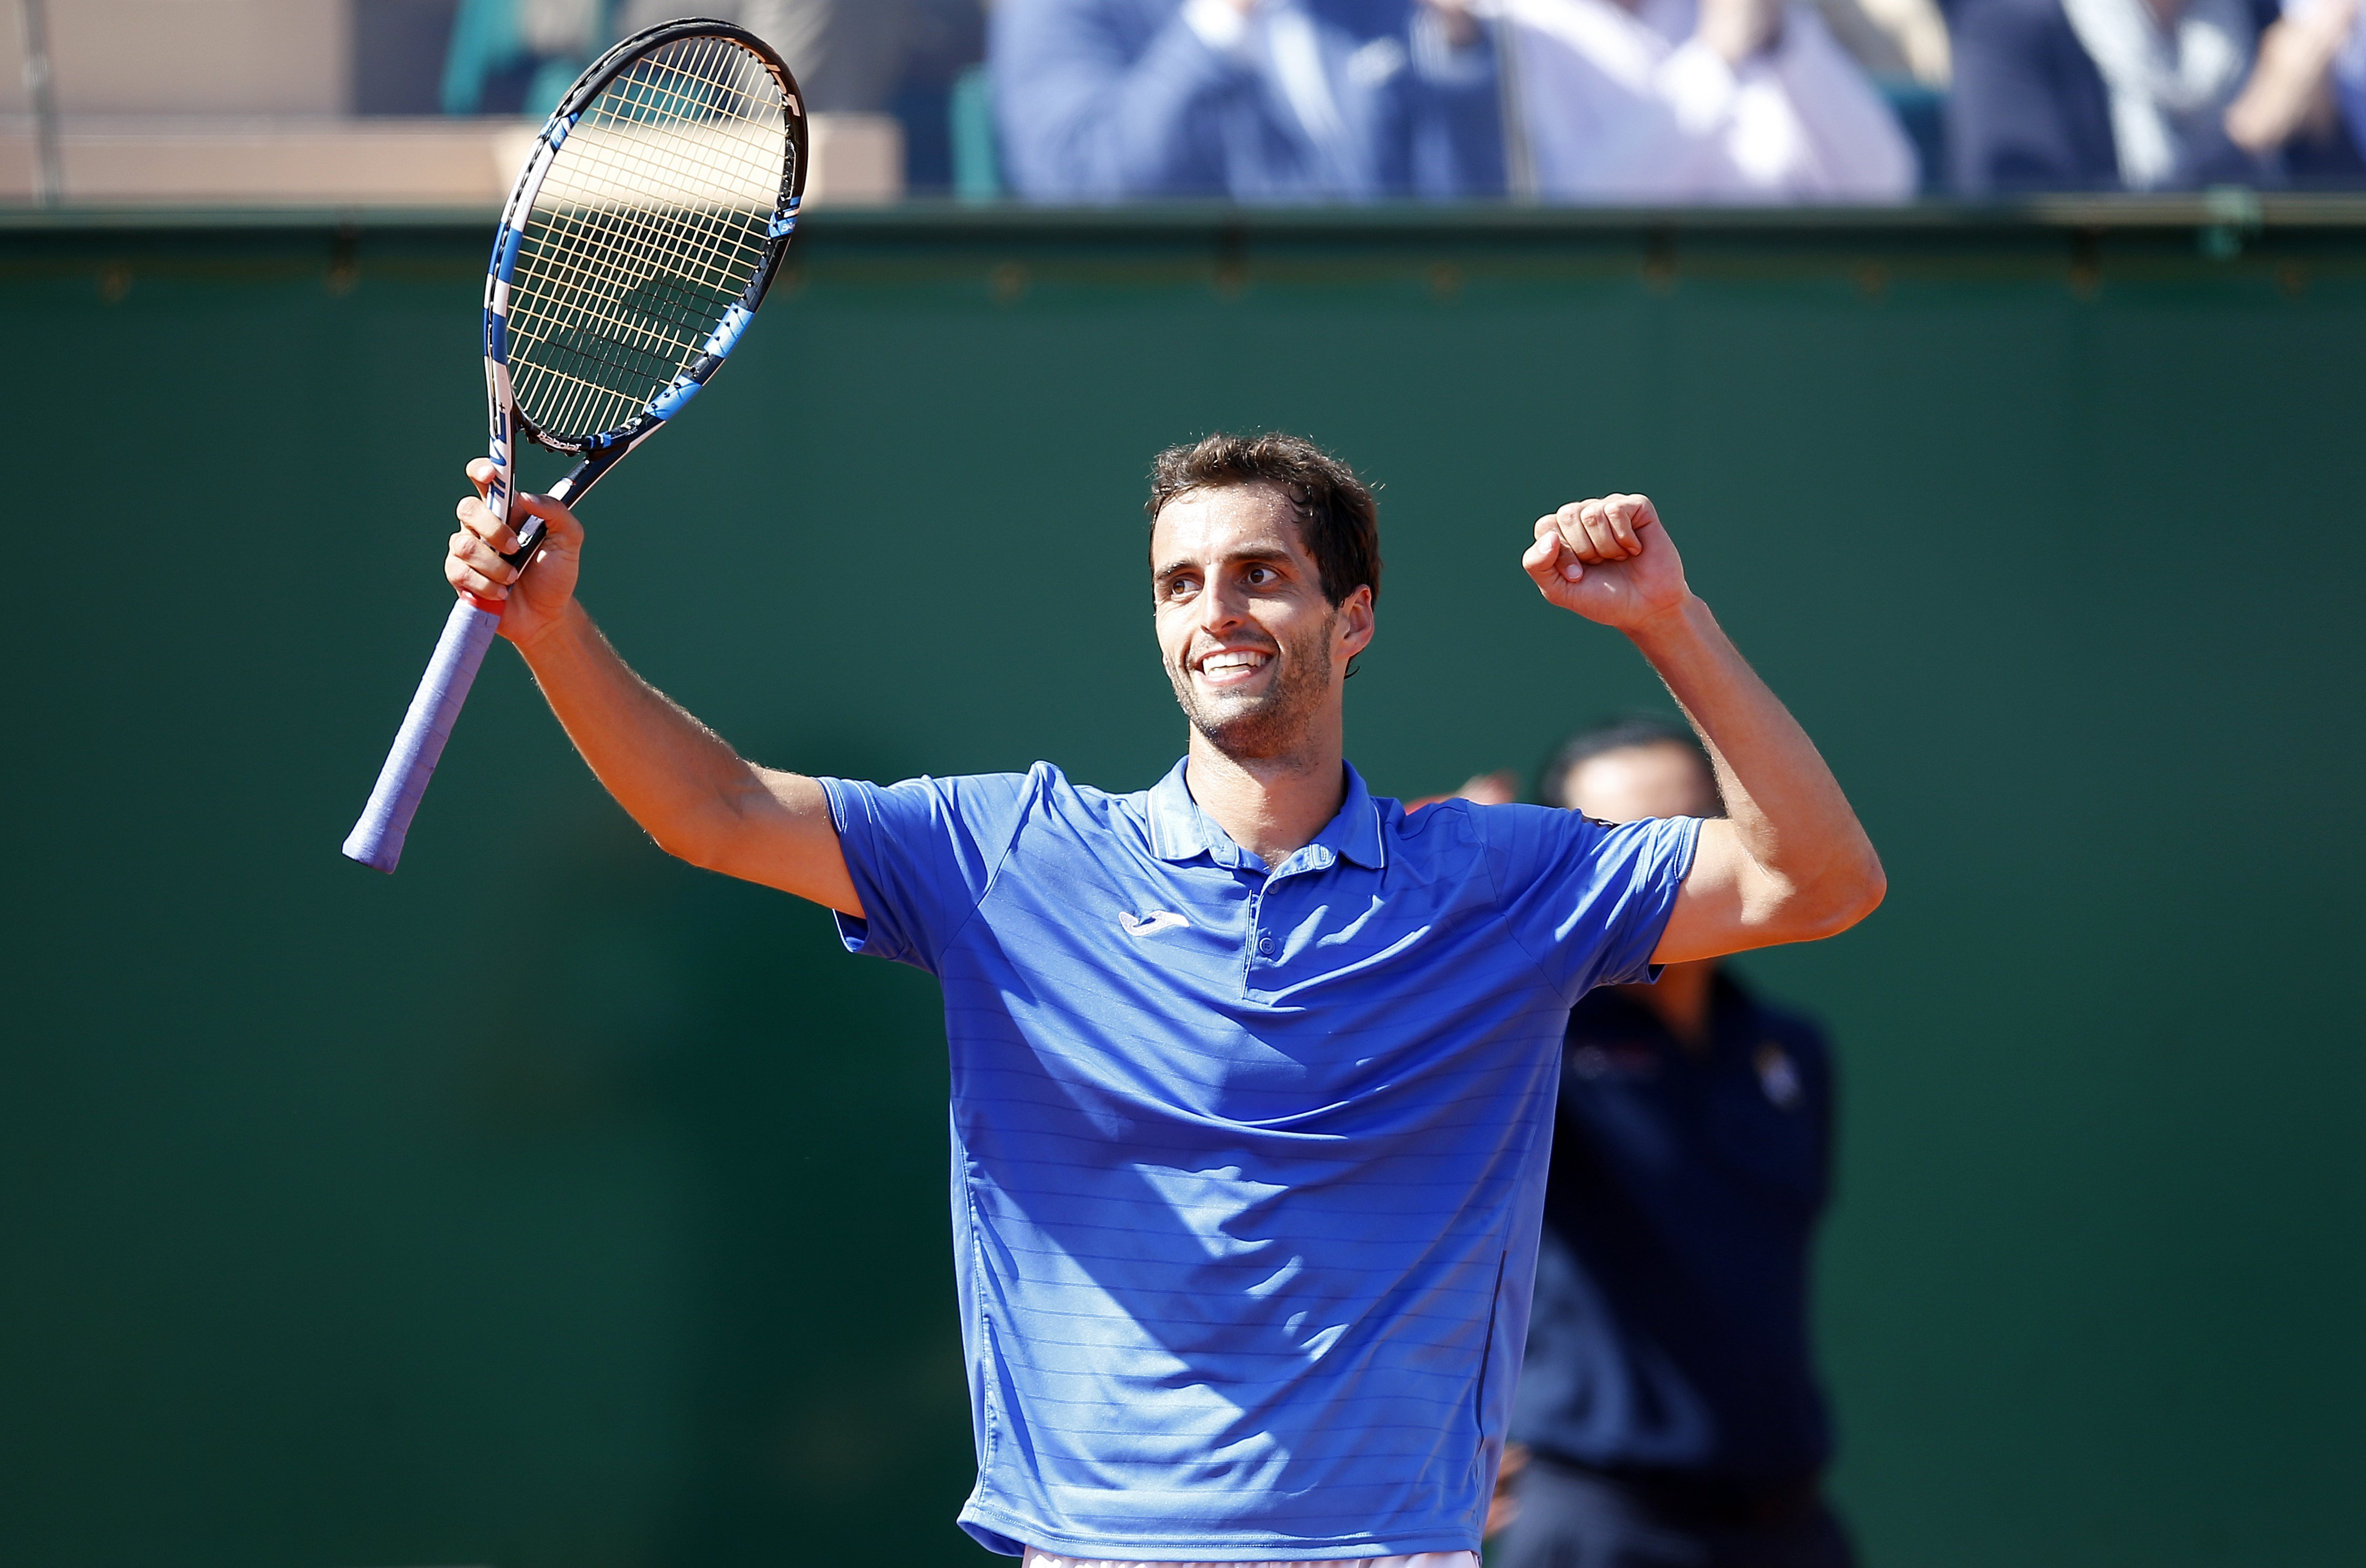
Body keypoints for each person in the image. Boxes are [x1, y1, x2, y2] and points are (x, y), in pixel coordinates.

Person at [438, 433, 1885, 1564]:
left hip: (1387, 1541)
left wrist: (1666, 621)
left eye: (1259, 571)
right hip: (1098, 1537)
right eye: (1180, 582)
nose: (1217, 609)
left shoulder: (1495, 881)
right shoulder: (1006, 852)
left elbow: (1816, 880)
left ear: (1351, 614)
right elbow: (711, 807)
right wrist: (557, 628)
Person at [1487, 716, 1853, 1568]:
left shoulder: (1787, 1049)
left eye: (1695, 829)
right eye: (1628, 842)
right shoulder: (1531, 1041)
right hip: (1602, 1525)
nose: (1672, 868)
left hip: (1790, 1524)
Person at [990, 0, 1507, 200]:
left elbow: (1463, 217)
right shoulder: (1062, 12)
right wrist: (1220, 23)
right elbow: (1080, 189)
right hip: (1169, 349)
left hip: (1375, 335)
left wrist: (1455, 40)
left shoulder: (1367, 10)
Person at [1494, 0, 1919, 201]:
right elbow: (1575, 208)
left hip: (1783, 320)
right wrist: (1714, 61)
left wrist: (1782, 40)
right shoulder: (1520, 25)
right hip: (1628, 342)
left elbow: (1885, 180)